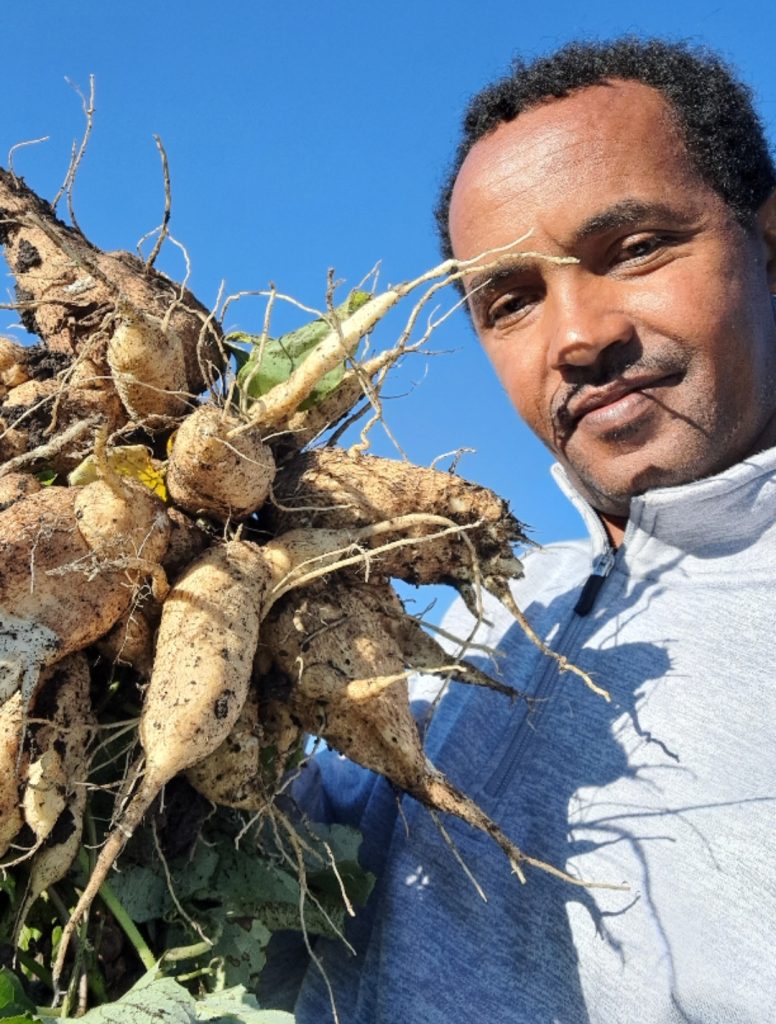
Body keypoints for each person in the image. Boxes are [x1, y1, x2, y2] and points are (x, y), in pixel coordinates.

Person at [265, 38, 776, 1022]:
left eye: (631, 249)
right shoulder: (497, 610)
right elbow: (306, 865)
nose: (577, 336)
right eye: (509, 301)